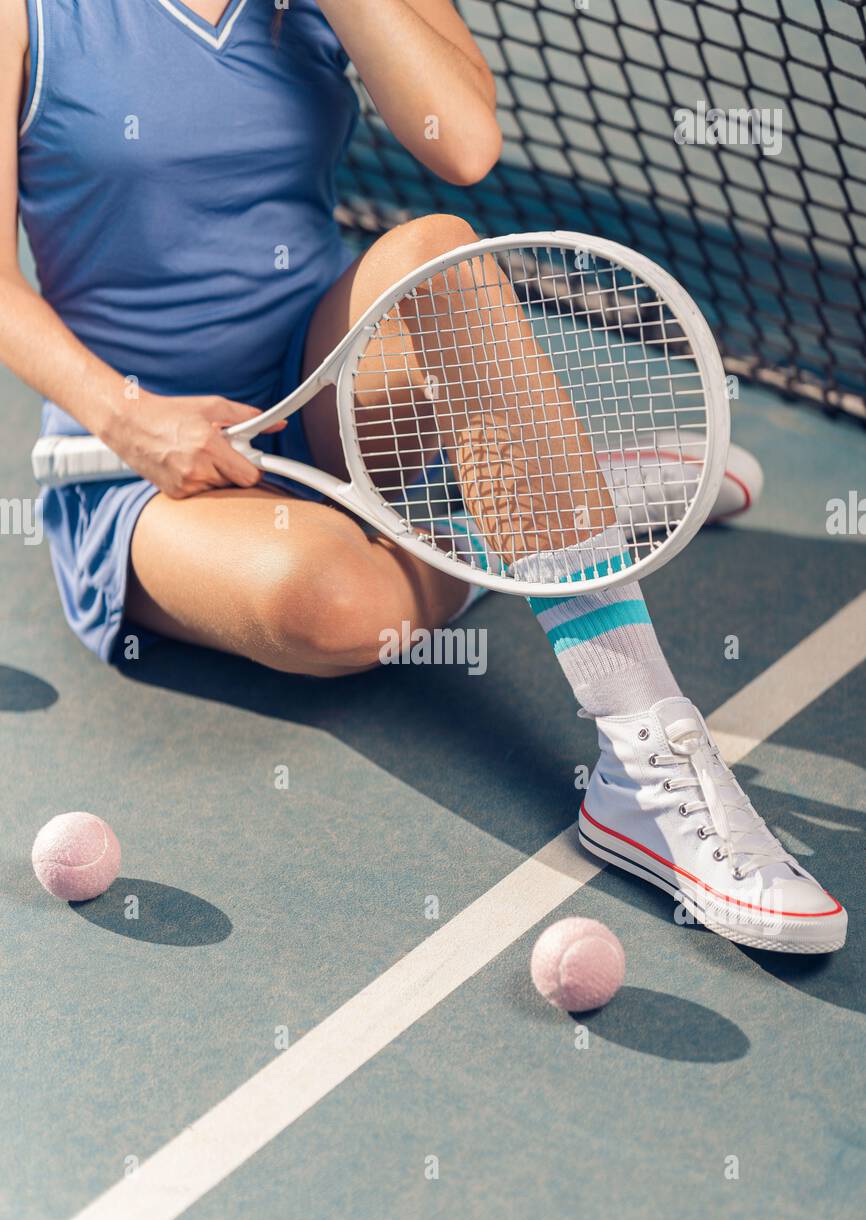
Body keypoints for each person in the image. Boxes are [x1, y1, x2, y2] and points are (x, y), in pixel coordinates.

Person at [0, 0, 845, 952]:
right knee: (325, 600)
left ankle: (641, 765)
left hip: (327, 379)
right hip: (140, 458)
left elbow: (467, 145)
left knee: (433, 250)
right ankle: (558, 500)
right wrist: (129, 417)